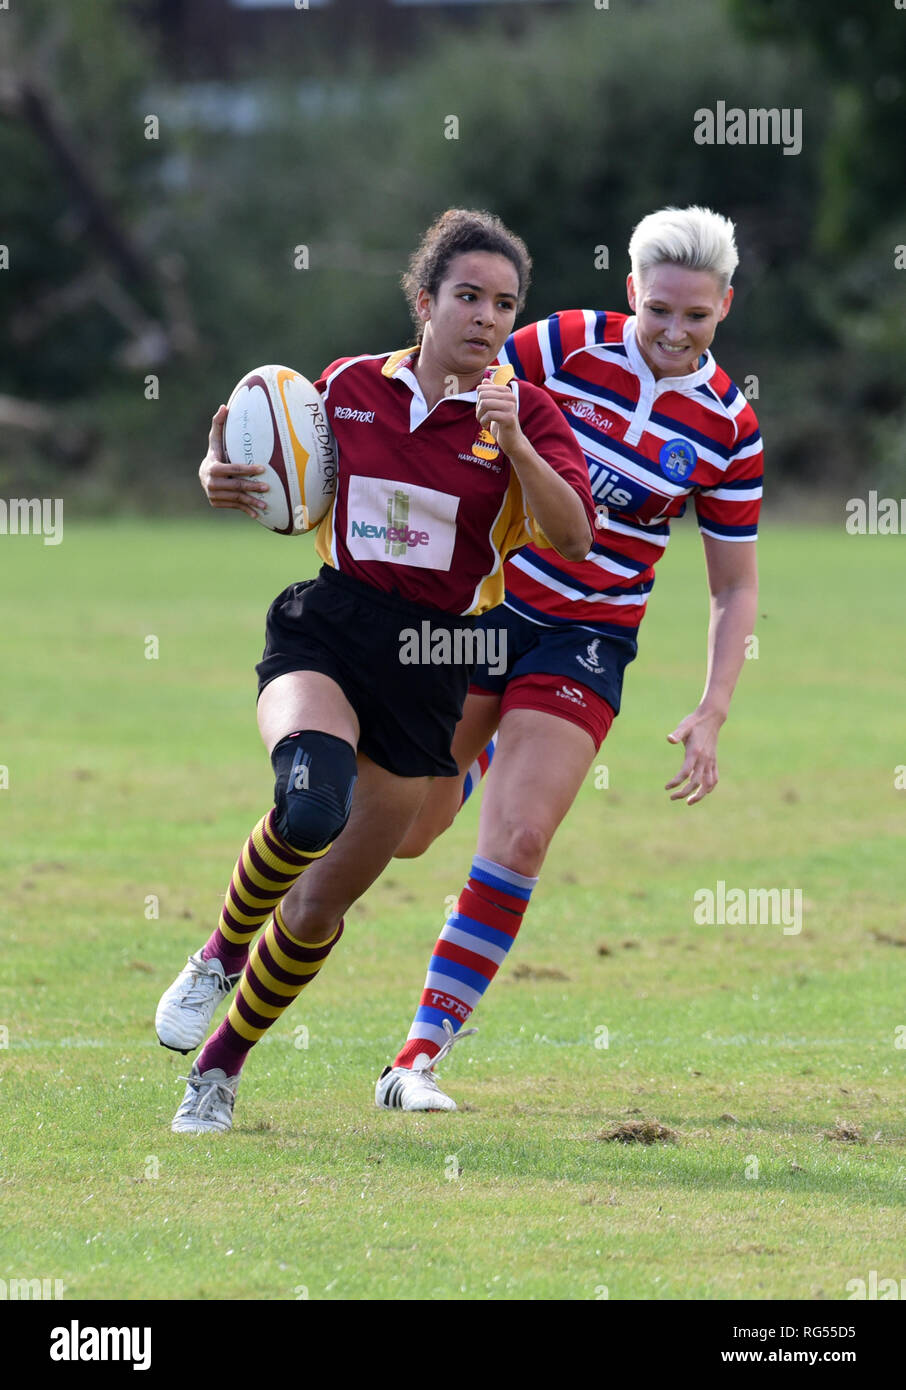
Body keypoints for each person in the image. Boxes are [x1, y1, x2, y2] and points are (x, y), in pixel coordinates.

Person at [154, 208, 596, 1133]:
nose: (486, 317)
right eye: (468, 296)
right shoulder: (350, 386)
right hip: (332, 622)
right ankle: (217, 954)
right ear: (426, 301)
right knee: (309, 799)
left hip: (434, 656)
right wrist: (214, 468)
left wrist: (513, 442)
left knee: (320, 904)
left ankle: (221, 1065)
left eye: (505, 304)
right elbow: (261, 445)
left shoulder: (526, 413)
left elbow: (573, 535)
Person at [373, 205, 763, 1110]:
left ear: (724, 310)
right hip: (482, 610)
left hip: (587, 642)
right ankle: (461, 774)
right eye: (658, 309)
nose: (672, 331)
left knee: (522, 837)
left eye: (695, 317)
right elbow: (438, 394)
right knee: (410, 833)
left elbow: (733, 586)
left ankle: (416, 1059)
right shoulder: (559, 346)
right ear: (632, 291)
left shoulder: (729, 426)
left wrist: (713, 708)